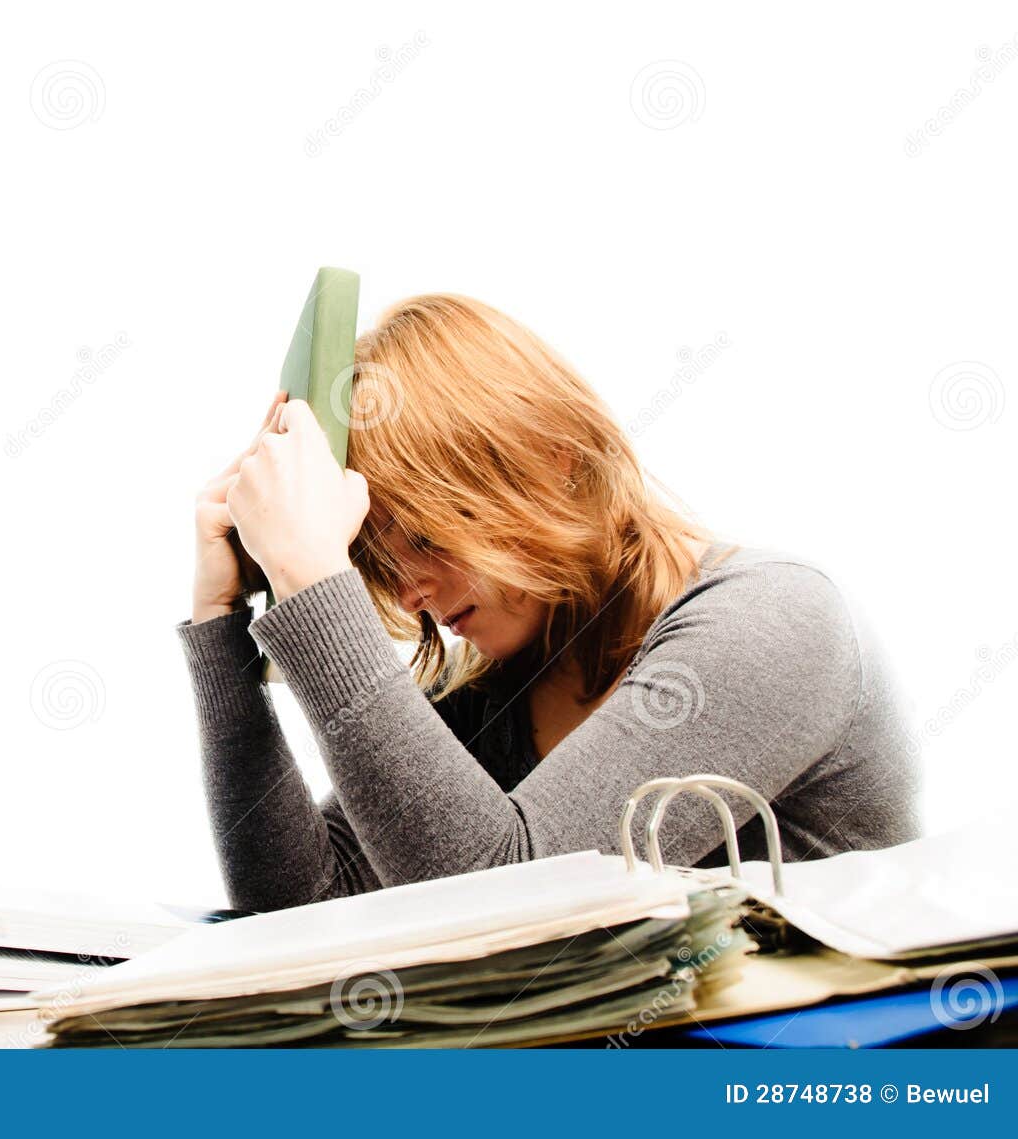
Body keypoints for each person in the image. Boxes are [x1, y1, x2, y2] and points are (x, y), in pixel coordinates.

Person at [179, 293, 920, 913]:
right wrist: (222, 625)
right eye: (376, 558)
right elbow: (306, 910)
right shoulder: (506, 677)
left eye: (428, 536)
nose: (409, 592)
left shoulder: (772, 624)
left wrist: (314, 578)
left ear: (550, 462)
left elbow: (513, 908)